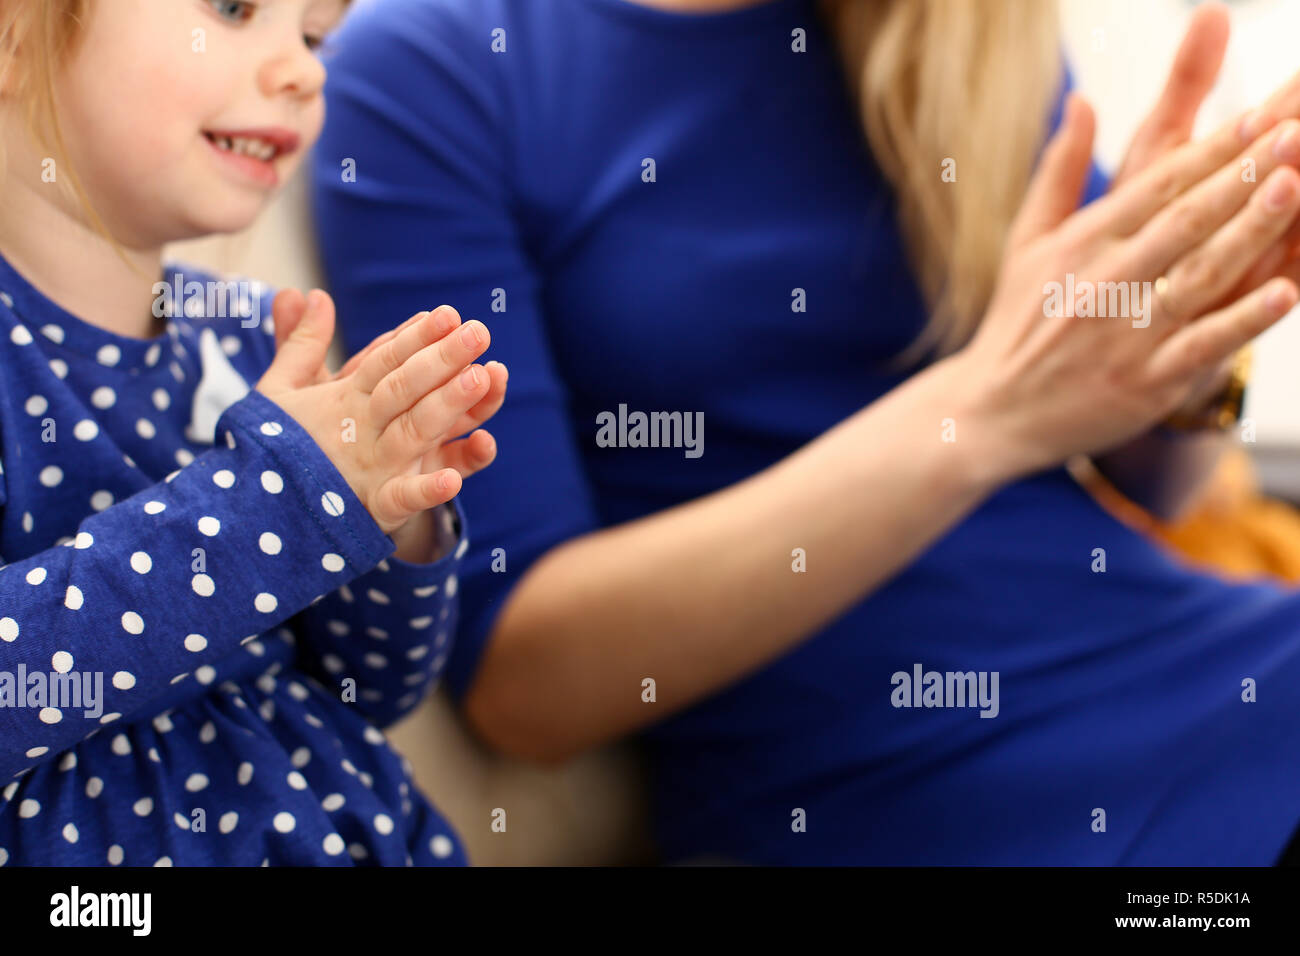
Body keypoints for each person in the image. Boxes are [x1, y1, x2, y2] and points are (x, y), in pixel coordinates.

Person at [314, 0, 1300, 864]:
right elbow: (523, 684)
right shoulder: (435, 68)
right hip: (938, 793)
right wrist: (981, 412)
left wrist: (1191, 338)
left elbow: (1163, 483)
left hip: (1225, 666)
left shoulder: (961, 32)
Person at [0, 0, 507, 866]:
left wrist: (390, 517)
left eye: (315, 36)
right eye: (234, 9)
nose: (305, 71)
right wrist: (280, 499)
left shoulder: (248, 334)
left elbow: (372, 688)